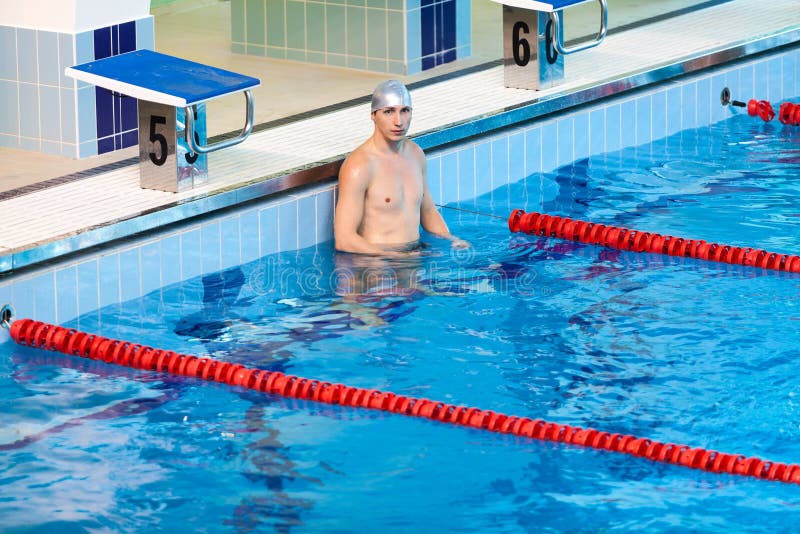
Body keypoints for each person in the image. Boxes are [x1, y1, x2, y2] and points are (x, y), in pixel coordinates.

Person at [334, 79, 468, 255]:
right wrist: (396, 257)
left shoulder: (415, 154)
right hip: (375, 264)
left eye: (404, 111)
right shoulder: (359, 166)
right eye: (388, 112)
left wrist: (453, 239)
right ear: (373, 115)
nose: (398, 121)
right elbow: (344, 239)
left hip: (412, 255)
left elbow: (428, 211)